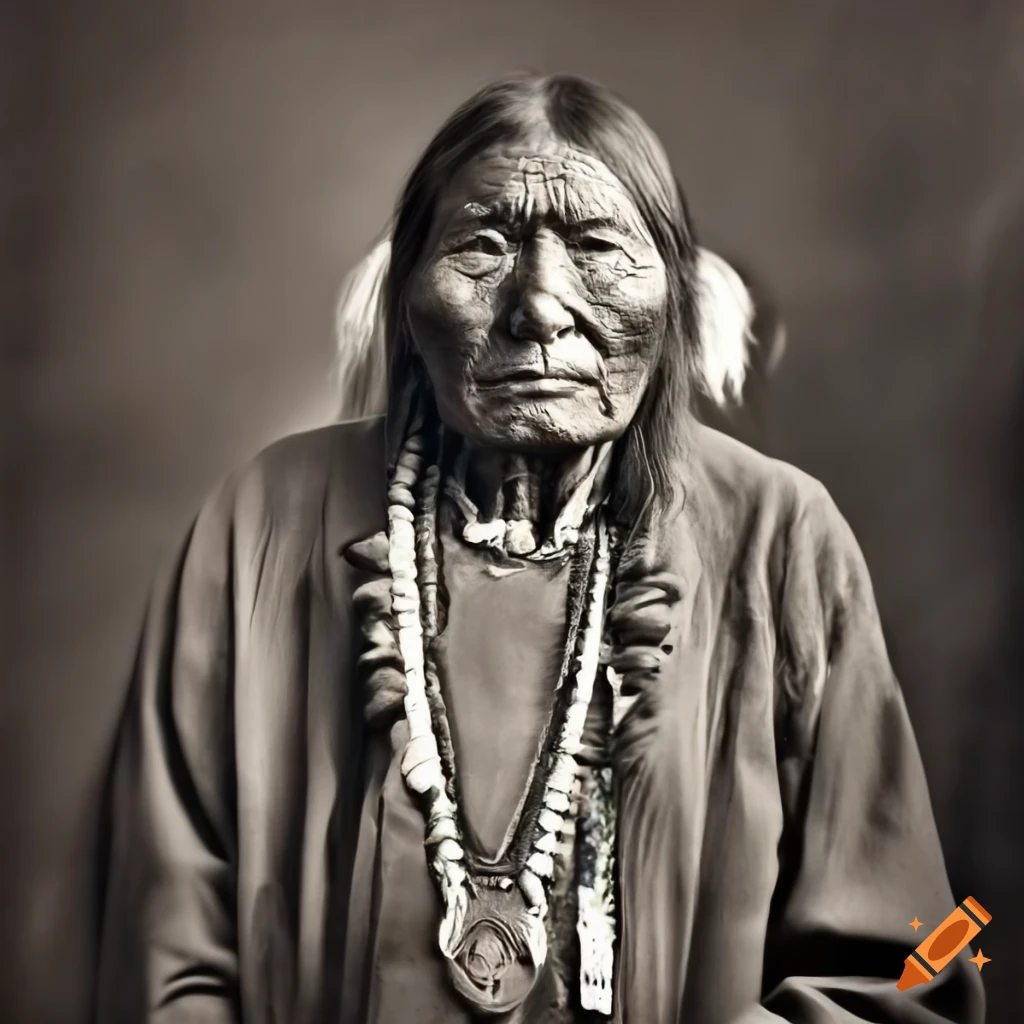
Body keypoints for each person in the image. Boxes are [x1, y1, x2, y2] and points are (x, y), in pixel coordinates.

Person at [94, 74, 984, 1024]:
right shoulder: (262, 525)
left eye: (599, 248)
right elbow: (165, 954)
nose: (541, 306)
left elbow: (917, 964)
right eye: (482, 246)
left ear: (678, 296)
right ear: (402, 296)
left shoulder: (782, 535)